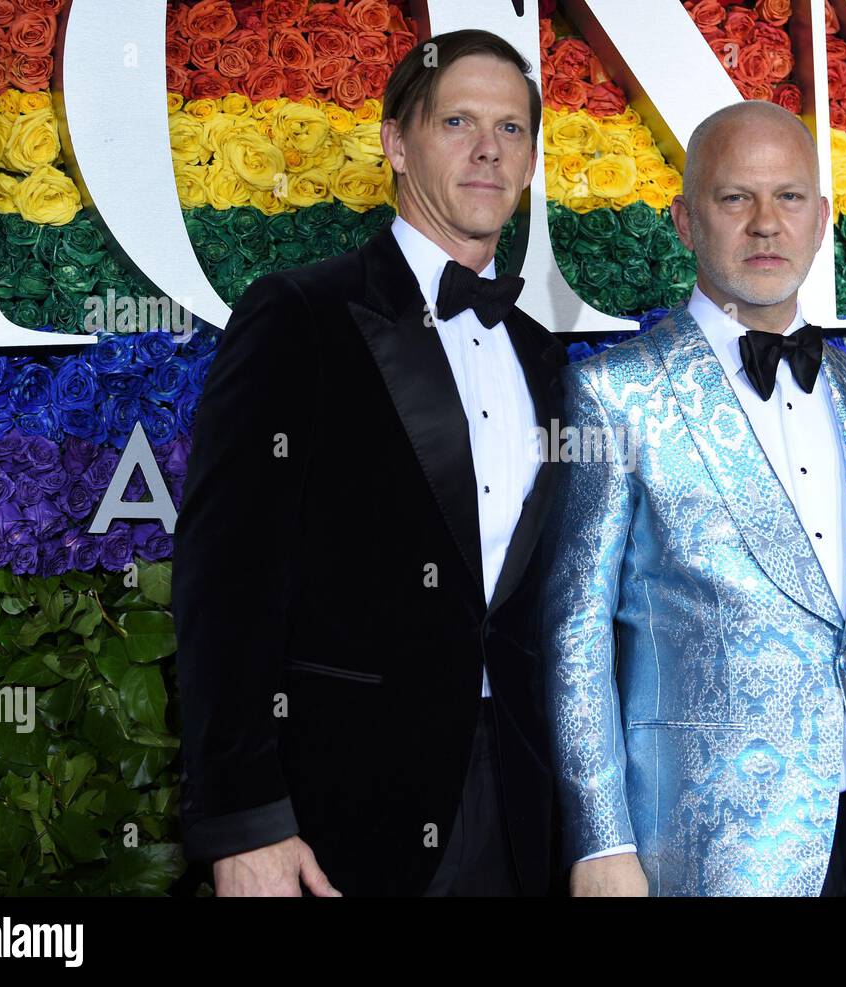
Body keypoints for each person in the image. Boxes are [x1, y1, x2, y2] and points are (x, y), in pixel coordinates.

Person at [541, 99, 846, 896]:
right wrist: (599, 838)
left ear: (821, 220)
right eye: (734, 197)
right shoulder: (616, 394)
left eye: (787, 198)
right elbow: (573, 637)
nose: (764, 224)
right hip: (700, 846)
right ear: (684, 219)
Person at [173, 29, 567, 896]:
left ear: (533, 159)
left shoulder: (541, 353)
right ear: (395, 141)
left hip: (521, 799)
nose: (486, 150)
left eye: (509, 130)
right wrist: (245, 820)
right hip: (342, 808)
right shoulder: (301, 315)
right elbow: (226, 581)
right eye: (458, 120)